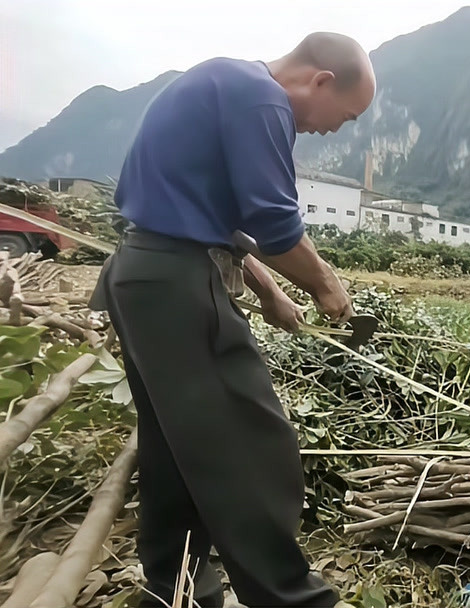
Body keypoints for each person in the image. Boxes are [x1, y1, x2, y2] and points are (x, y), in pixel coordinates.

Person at [91, 32, 376, 607]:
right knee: (253, 444)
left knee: (176, 448)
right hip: (174, 286)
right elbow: (271, 218)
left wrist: (268, 289)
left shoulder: (225, 81)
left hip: (143, 276)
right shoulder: (260, 98)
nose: (331, 130)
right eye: (343, 117)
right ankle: (292, 598)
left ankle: (177, 590)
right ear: (320, 81)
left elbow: (206, 214)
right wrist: (326, 286)